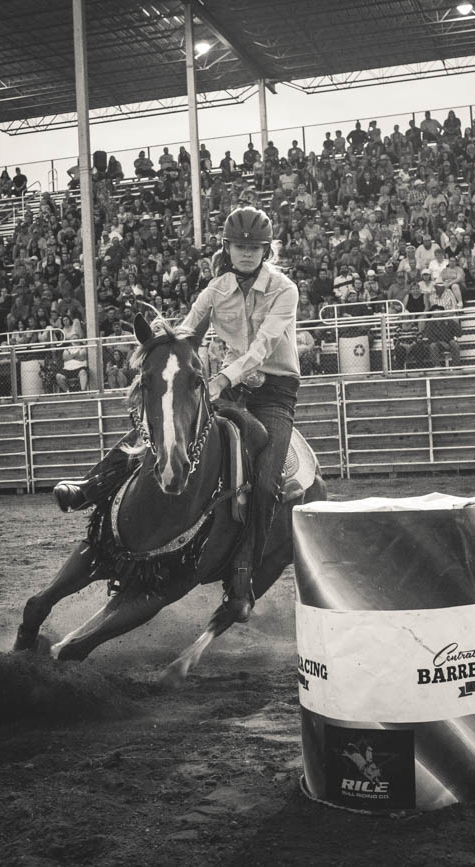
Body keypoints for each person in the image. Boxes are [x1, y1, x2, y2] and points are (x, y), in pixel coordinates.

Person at [176, 206, 300, 623]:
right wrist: (161, 349)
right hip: (227, 389)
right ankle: (99, 487)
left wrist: (221, 380)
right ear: (227, 248)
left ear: (266, 250)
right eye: (239, 246)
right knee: (173, 434)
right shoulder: (214, 291)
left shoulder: (285, 289)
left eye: (254, 247)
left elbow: (263, 346)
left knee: (265, 484)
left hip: (274, 395)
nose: (246, 253)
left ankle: (243, 574)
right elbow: (187, 332)